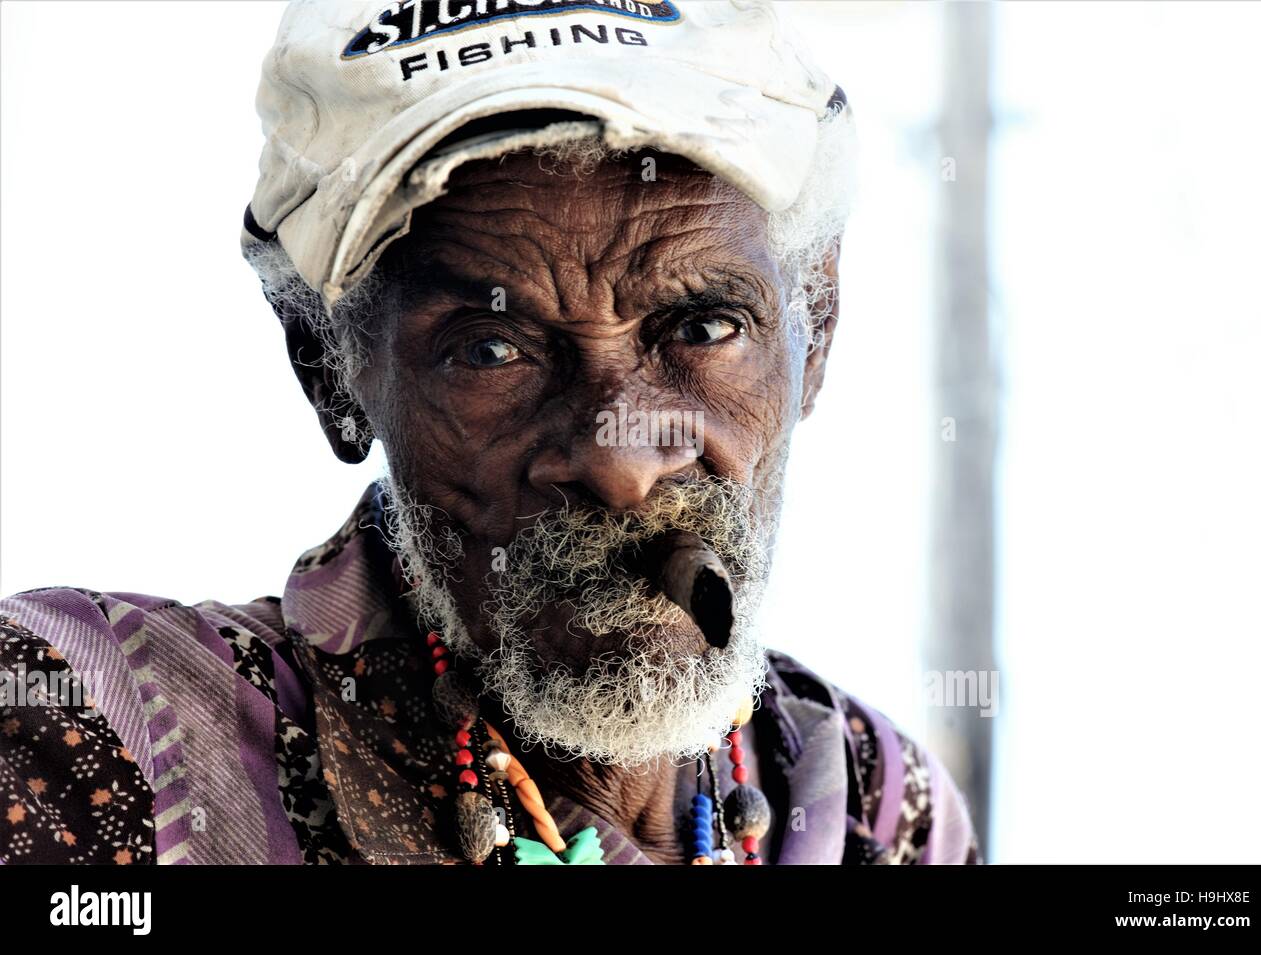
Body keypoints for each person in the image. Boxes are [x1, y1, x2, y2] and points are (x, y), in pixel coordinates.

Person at [0, 0, 980, 865]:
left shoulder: (870, 804)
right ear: (328, 371)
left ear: (816, 328)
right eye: (491, 350)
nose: (620, 461)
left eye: (701, 328)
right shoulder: (109, 734)